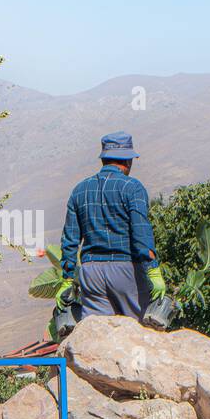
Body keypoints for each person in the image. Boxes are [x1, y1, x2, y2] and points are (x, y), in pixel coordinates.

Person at [56, 131, 166, 321]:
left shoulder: (79, 190)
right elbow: (141, 233)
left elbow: (70, 240)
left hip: (92, 274)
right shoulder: (133, 188)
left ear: (104, 159)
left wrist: (67, 279)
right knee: (137, 329)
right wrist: (153, 270)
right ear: (128, 161)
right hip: (127, 269)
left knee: (98, 330)